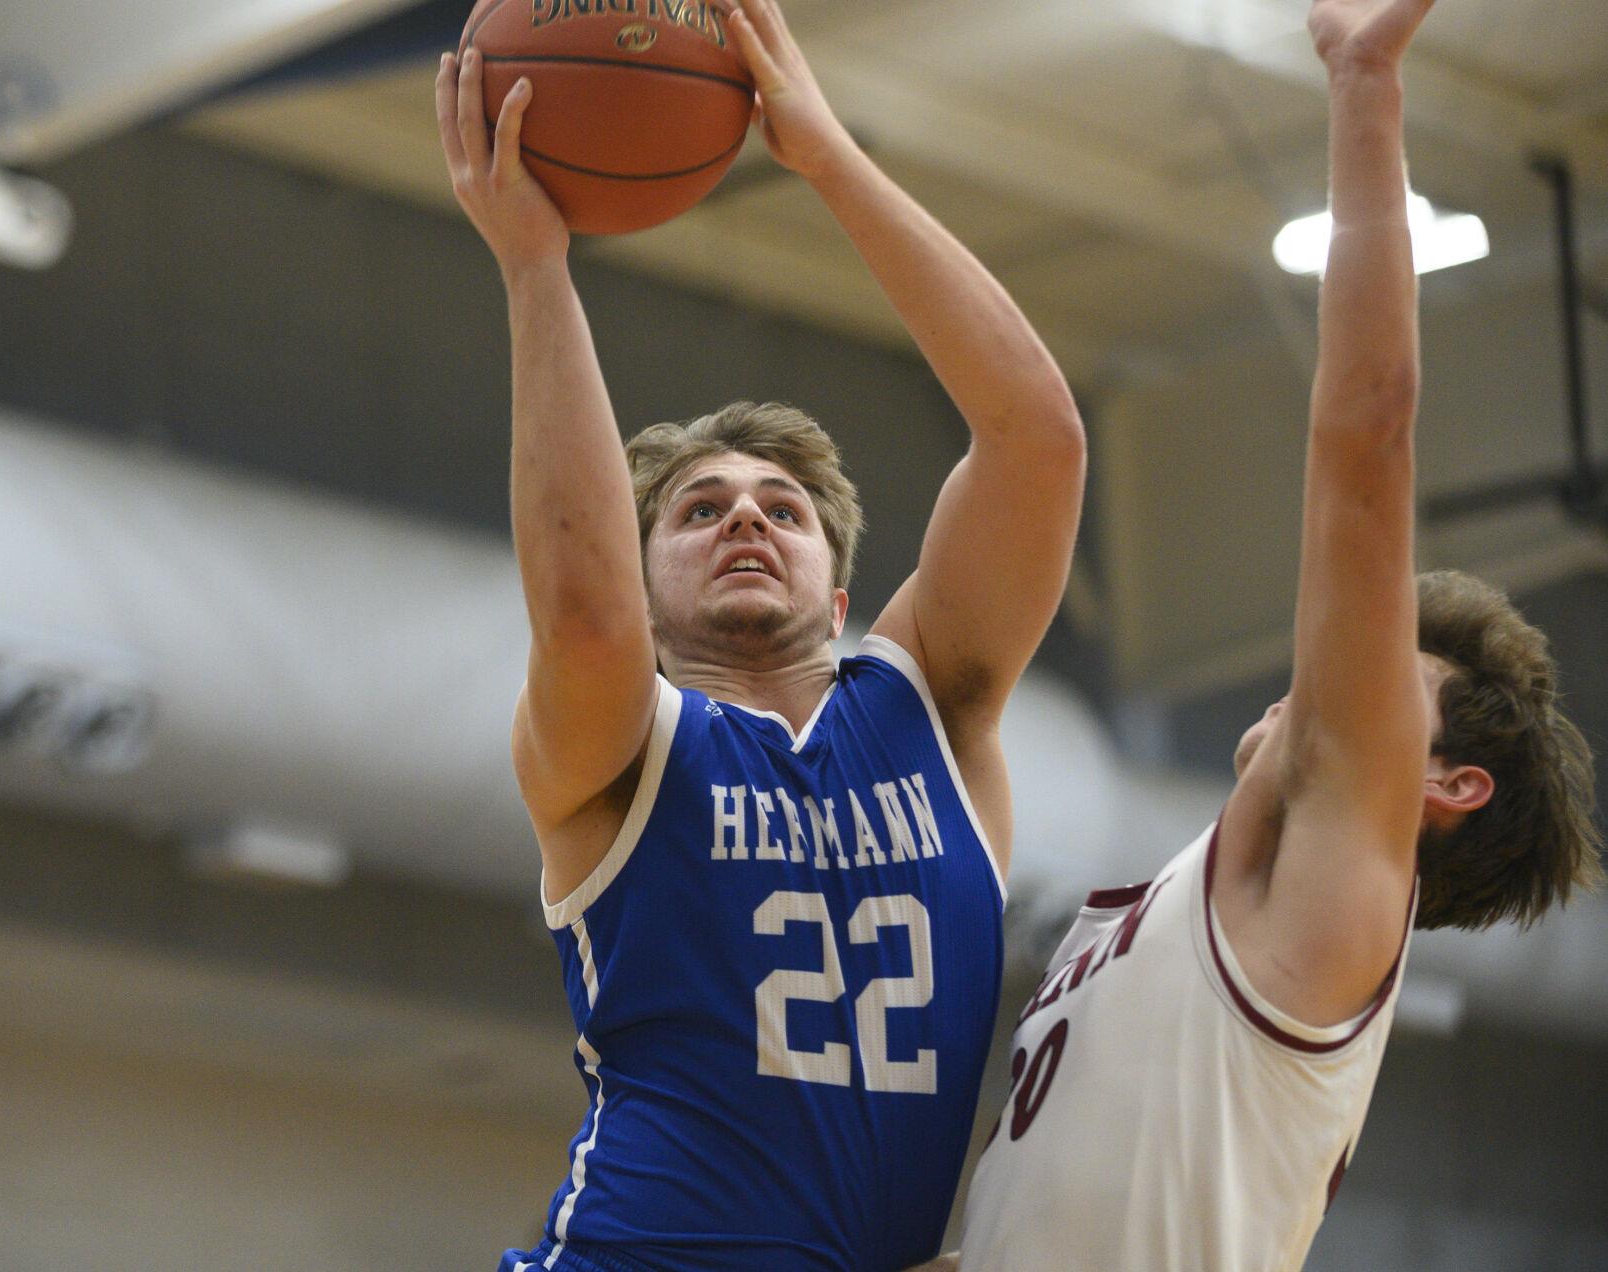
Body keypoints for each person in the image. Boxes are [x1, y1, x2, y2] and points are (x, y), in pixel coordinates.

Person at [948, 1, 1604, 1268]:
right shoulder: (1135, 929)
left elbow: (1366, 439)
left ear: (1443, 785)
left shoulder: (1344, 888)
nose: (1332, 668)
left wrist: (1364, 85)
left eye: (1381, 674)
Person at [433, 0, 1087, 1266]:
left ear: (841, 598)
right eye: (697, 510)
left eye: (782, 508)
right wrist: (534, 266)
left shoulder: (931, 711)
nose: (746, 519)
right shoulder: (620, 746)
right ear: (646, 583)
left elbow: (1038, 443)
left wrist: (830, 157)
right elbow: (577, 615)